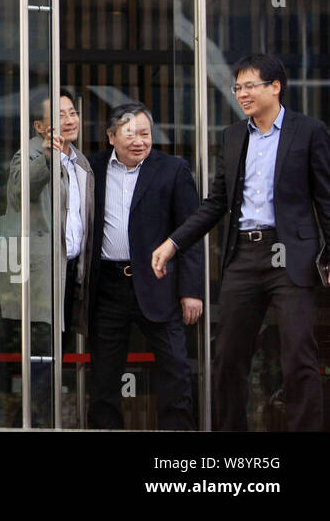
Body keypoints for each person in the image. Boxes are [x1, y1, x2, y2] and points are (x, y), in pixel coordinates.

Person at [152, 54, 330, 431]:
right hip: (243, 256)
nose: (242, 94)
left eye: (250, 86)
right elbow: (217, 202)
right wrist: (173, 243)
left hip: (291, 255)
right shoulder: (233, 136)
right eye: (238, 88)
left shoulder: (309, 131)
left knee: (298, 354)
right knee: (228, 356)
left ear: (275, 87)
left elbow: (326, 200)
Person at [87, 102, 203, 430]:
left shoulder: (172, 169)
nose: (139, 140)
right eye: (129, 133)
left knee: (175, 371)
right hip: (108, 286)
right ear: (111, 136)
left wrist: (191, 291)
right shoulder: (91, 169)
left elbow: (190, 233)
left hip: (159, 282)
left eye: (145, 133)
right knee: (104, 377)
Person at [0, 89, 96, 427]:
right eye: (59, 116)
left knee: (61, 359)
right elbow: (18, 191)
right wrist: (45, 157)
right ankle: (33, 423)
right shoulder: (28, 153)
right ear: (41, 126)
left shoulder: (80, 161)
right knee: (40, 361)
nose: (69, 120)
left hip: (72, 273)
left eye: (72, 113)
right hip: (41, 278)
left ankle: (48, 420)